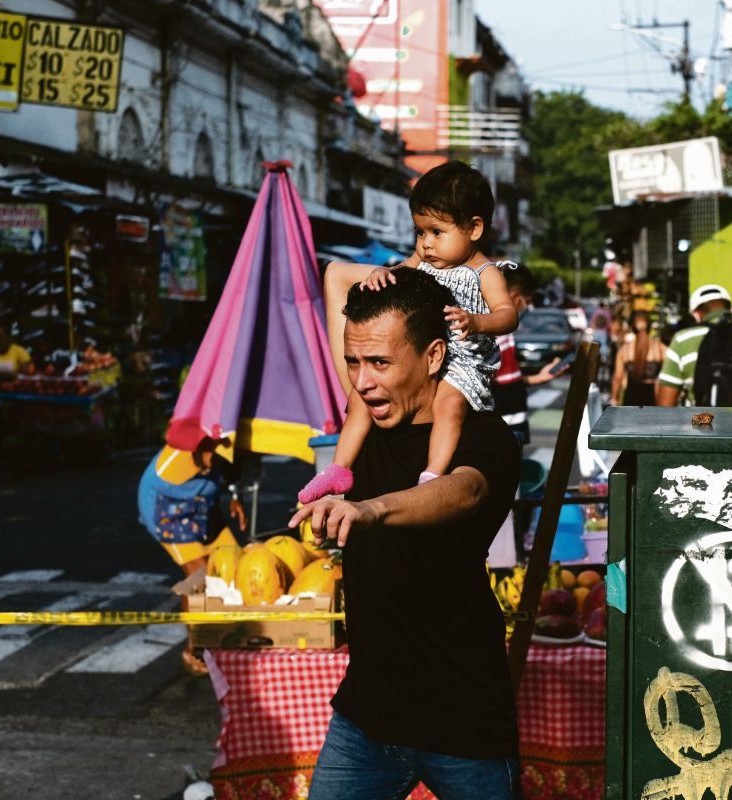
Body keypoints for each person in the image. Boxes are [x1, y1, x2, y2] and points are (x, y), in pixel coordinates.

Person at [290, 269, 521, 800]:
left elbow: (463, 492)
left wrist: (370, 510)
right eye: (353, 362)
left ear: (434, 356)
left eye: (380, 363)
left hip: (463, 724)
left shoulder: (482, 435)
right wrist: (395, 270)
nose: (362, 381)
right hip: (364, 722)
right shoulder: (365, 422)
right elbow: (335, 277)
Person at [299, 161, 517, 503]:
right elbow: (393, 274)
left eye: (436, 232)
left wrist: (478, 322)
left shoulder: (485, 272)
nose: (426, 243)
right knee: (358, 399)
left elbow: (507, 314)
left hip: (462, 362)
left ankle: (433, 473)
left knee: (449, 405)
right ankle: (340, 467)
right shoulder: (423, 261)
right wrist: (379, 275)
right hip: (427, 347)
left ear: (474, 228)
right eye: (420, 232)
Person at [137, 439, 246, 674]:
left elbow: (233, 470)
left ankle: (228, 639)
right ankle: (195, 648)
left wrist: (236, 495)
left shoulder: (230, 441)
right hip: (167, 509)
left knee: (237, 565)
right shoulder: (176, 456)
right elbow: (166, 471)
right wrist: (204, 460)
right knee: (200, 575)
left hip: (204, 506)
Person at [495, 264, 567, 444]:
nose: (528, 307)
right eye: (527, 301)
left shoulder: (502, 331)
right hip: (503, 425)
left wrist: (538, 378)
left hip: (512, 420)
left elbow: (507, 381)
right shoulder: (492, 331)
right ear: (515, 297)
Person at [611, 310, 665, 406]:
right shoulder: (659, 347)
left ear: (632, 327)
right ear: (650, 327)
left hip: (630, 397)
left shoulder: (624, 350)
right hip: (653, 398)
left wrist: (614, 398)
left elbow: (618, 377)